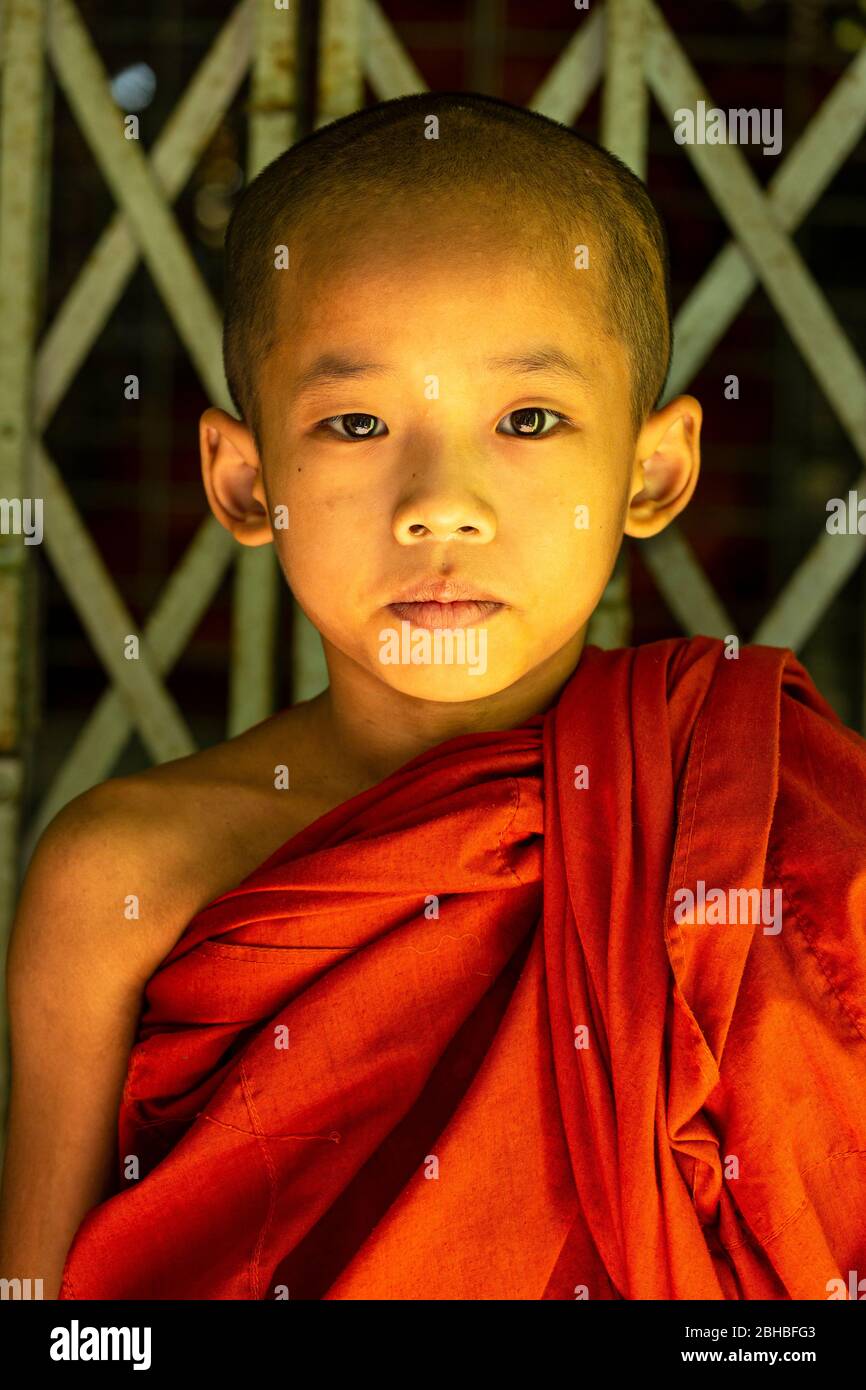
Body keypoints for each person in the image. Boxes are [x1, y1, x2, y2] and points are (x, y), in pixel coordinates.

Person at [2, 91, 865, 1301]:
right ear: (246, 481)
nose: (438, 502)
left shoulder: (768, 819)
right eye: (355, 422)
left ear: (653, 466)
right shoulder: (122, 878)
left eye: (526, 417)